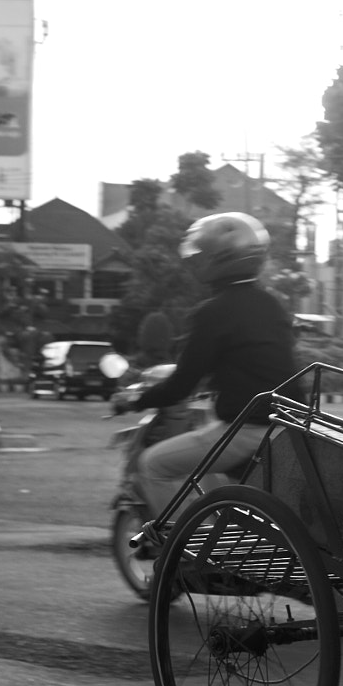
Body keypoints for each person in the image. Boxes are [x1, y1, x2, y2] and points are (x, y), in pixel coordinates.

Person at [131, 212, 296, 518]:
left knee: (153, 464)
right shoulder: (271, 304)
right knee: (206, 457)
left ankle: (185, 554)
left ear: (217, 259)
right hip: (285, 425)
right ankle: (218, 536)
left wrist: (136, 400)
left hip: (249, 429)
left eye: (200, 256)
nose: (195, 263)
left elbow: (181, 386)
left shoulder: (213, 312)